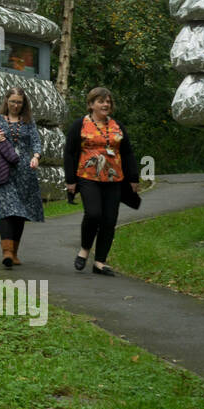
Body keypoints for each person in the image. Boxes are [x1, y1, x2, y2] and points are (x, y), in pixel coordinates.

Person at [64, 86, 140, 276]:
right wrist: (70, 180)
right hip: (88, 177)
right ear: (91, 105)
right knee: (93, 214)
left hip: (114, 179)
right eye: (101, 101)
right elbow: (70, 152)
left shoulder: (117, 126)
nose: (105, 104)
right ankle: (84, 250)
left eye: (108, 101)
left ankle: (100, 262)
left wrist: (133, 178)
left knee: (109, 220)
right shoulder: (80, 125)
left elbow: (128, 152)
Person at [0, 87, 44, 267]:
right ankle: (6, 252)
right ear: (6, 101)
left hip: (24, 172)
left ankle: (14, 253)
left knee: (20, 212)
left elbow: (36, 141)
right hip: (3, 171)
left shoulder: (28, 122)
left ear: (23, 103)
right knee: (7, 209)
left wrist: (36, 157)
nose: (15, 105)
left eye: (19, 102)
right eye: (12, 101)